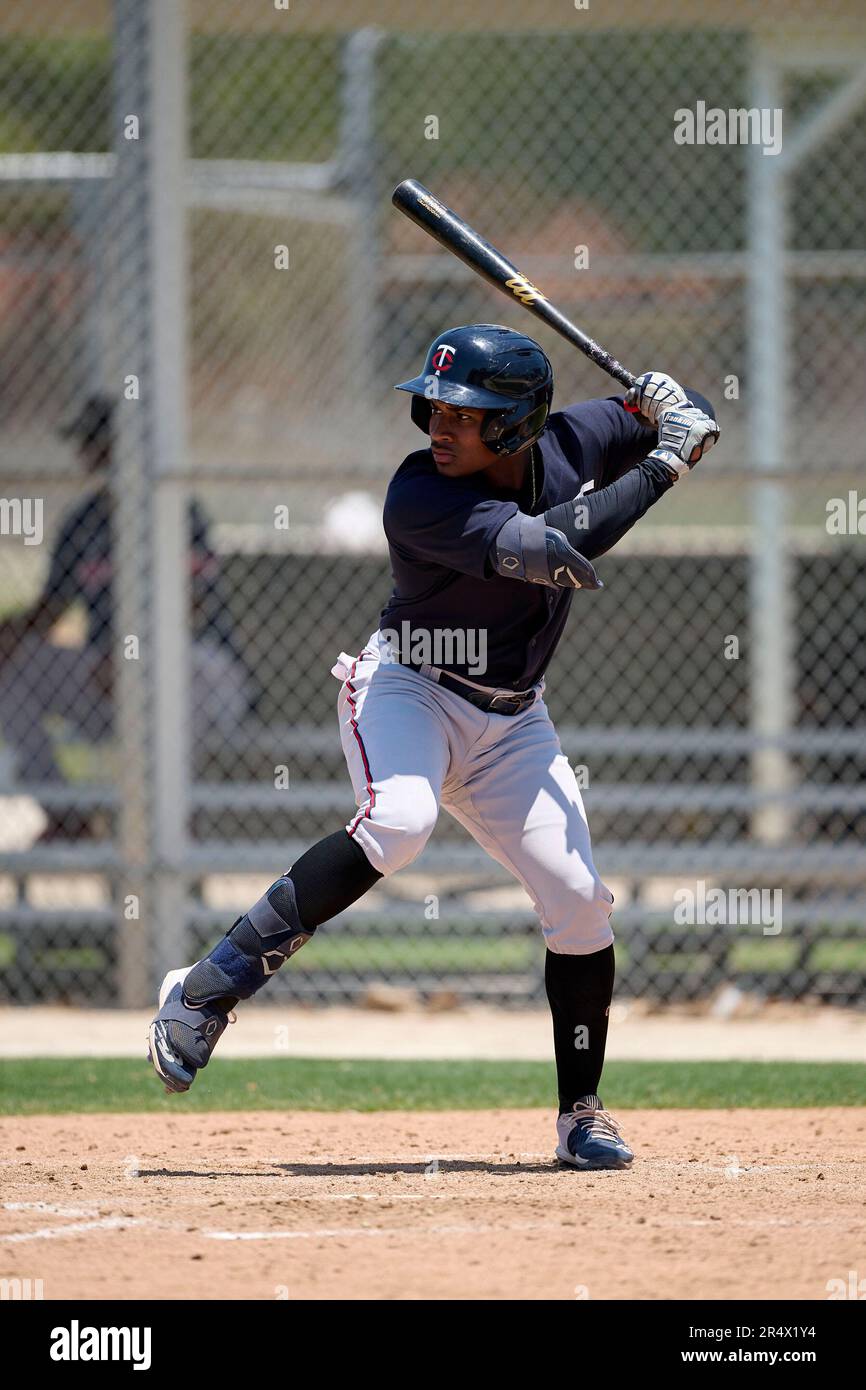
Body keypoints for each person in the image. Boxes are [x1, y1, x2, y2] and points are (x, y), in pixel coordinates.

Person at [147, 325, 718, 1170]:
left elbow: (678, 412)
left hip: (514, 719)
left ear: (518, 424)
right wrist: (668, 461)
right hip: (408, 688)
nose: (441, 427)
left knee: (580, 903)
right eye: (436, 407)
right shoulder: (420, 496)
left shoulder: (574, 439)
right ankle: (205, 991)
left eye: (467, 413)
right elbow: (560, 549)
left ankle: (582, 1113)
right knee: (402, 820)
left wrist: (672, 402)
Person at [0, 395, 253, 840]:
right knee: (13, 668)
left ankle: (174, 825)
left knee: (192, 671)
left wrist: (135, 656)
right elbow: (52, 609)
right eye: (86, 446)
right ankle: (66, 816)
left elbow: (192, 607)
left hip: (191, 673)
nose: (87, 455)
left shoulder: (176, 509)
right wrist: (10, 634)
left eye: (96, 444)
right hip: (110, 681)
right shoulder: (84, 521)